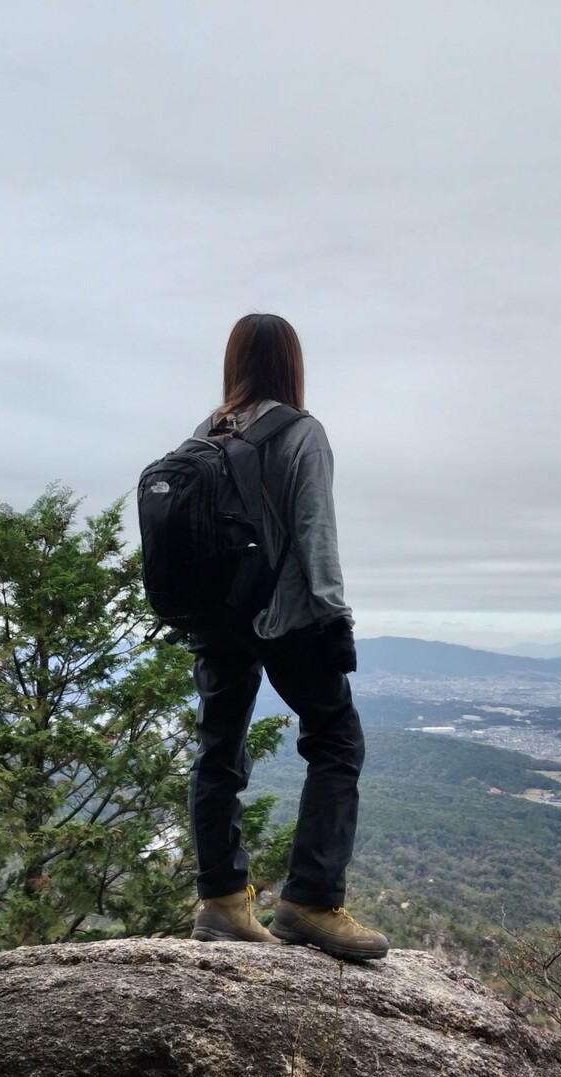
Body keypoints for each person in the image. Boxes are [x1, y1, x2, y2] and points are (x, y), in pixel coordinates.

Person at [184, 312, 388, 962]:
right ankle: (311, 902)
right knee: (335, 742)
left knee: (218, 753)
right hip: (286, 618)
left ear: (234, 362)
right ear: (292, 364)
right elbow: (315, 536)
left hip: (215, 620)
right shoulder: (302, 433)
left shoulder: (203, 435)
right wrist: (335, 621)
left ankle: (220, 903)